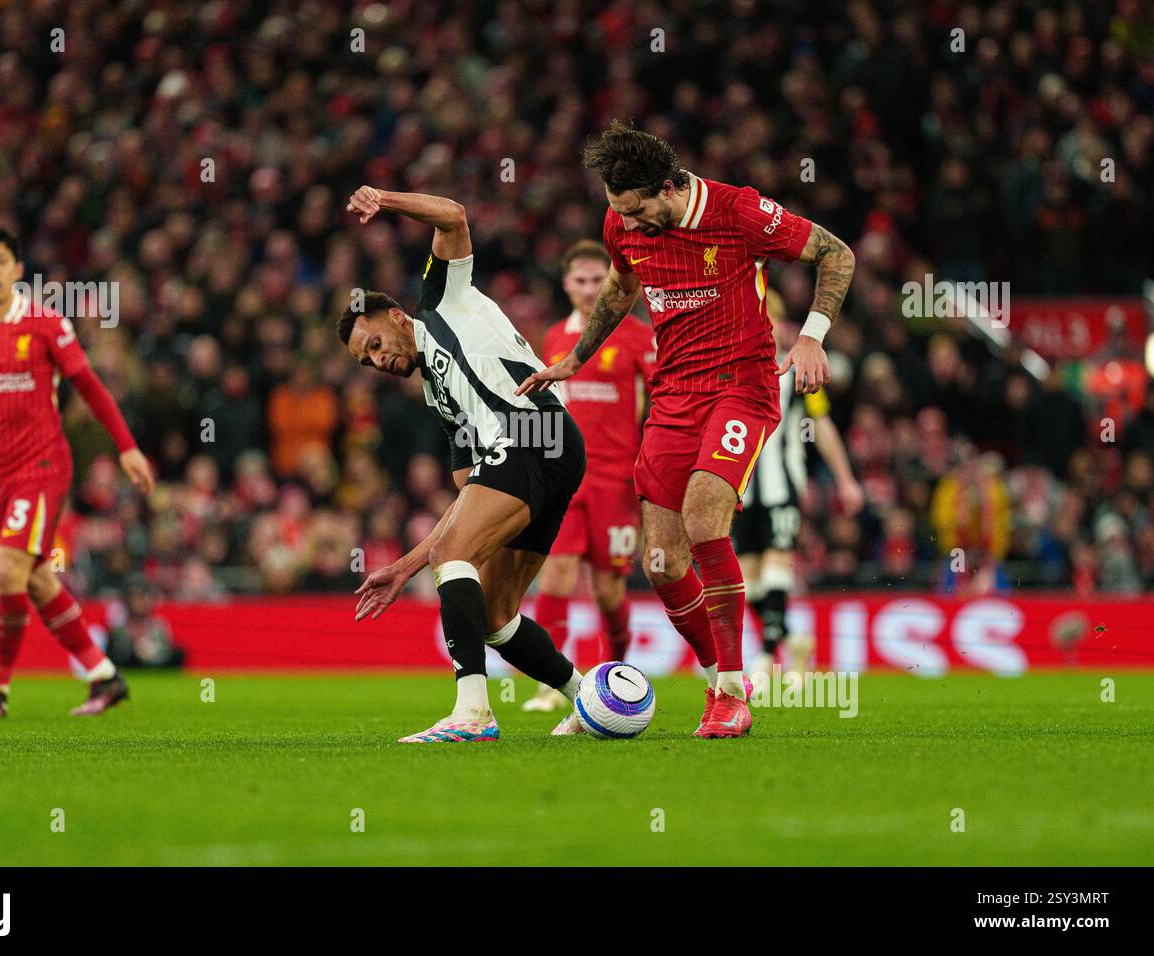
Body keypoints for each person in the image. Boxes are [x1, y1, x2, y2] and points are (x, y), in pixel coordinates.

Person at [519, 121, 855, 738]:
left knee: (704, 524)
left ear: (670, 188)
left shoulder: (739, 210)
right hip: (672, 398)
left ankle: (731, 692)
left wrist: (811, 336)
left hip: (741, 387)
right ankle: (719, 679)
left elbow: (837, 253)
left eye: (640, 211)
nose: (630, 224)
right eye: (618, 212)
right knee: (661, 562)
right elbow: (621, 288)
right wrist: (575, 360)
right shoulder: (621, 222)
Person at [338, 187, 588, 743]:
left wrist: (385, 199)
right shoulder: (442, 400)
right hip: (548, 452)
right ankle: (590, 698)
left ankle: (473, 714)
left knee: (455, 559)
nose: (378, 360)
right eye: (366, 359)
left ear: (399, 318)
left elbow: (453, 215)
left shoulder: (439, 302)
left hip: (533, 429)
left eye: (376, 342)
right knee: (496, 614)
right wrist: (406, 566)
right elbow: (465, 504)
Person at [0, 227, 154, 716]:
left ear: (16, 270)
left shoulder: (46, 322)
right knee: (33, 578)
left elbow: (89, 385)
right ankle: (103, 675)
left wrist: (127, 448)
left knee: (5, 566)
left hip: (43, 464)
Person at [524, 239, 661, 712]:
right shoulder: (555, 337)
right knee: (556, 577)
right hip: (566, 478)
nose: (587, 289)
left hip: (617, 480)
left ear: (610, 284)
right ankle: (550, 682)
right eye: (579, 280)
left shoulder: (641, 337)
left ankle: (616, 674)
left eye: (595, 280)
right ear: (565, 284)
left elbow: (655, 404)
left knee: (608, 590)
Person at [735, 293, 863, 688]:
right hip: (739, 490)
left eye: (771, 319)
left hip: (782, 487)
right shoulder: (731, 369)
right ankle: (794, 641)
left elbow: (821, 425)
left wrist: (845, 479)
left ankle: (769, 654)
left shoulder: (794, 369)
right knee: (748, 581)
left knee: (777, 565)